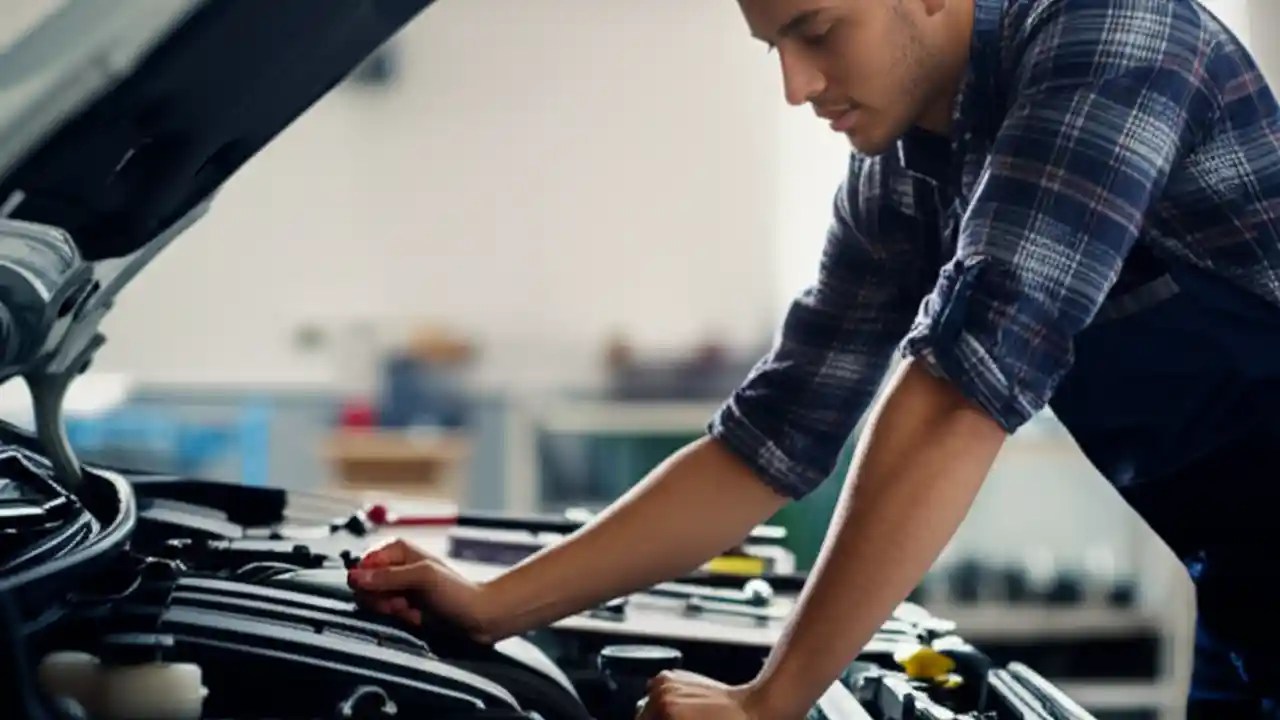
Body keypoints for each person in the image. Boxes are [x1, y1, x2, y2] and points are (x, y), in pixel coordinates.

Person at [348, 0, 1280, 716]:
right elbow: (770, 438)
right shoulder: (902, 176)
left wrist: (771, 699)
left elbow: (960, 394)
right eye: (774, 47)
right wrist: (495, 606)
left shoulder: (1114, 37)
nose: (797, 85)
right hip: (1238, 580)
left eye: (819, 31)